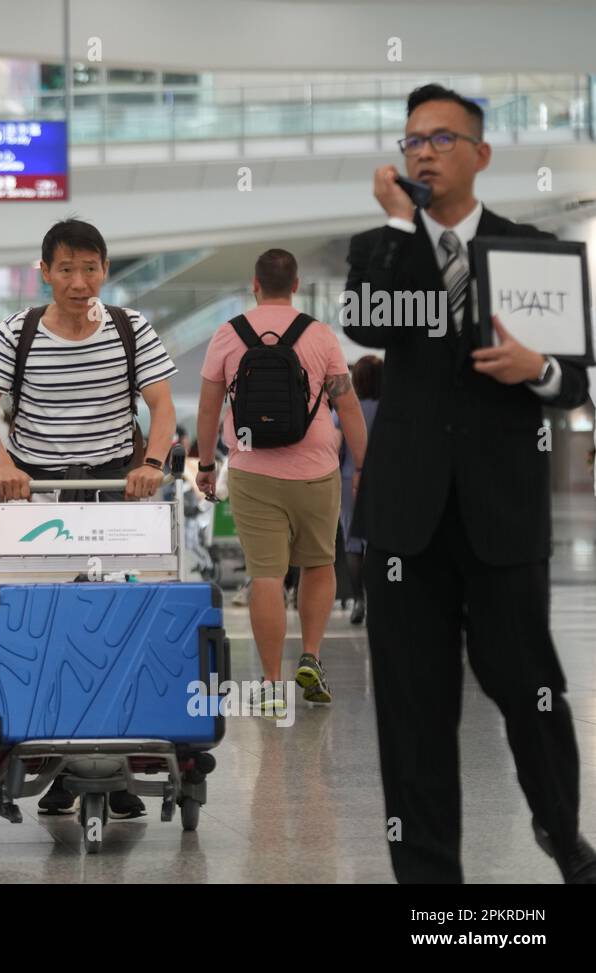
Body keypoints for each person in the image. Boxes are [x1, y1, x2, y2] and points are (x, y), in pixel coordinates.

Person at [344, 83, 594, 883]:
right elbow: (372, 324)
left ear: (482, 154)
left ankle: (563, 832)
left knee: (533, 692)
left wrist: (540, 367)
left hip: (503, 516)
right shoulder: (382, 249)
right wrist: (395, 220)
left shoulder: (532, 250)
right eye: (413, 138)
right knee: (413, 710)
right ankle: (428, 884)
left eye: (444, 138)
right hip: (405, 522)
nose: (424, 150)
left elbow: (578, 378)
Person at [0, 218, 179, 819]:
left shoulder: (132, 330)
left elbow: (160, 406)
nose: (79, 282)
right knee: (45, 629)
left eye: (90, 269)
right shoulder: (19, 332)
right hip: (35, 499)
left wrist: (153, 461)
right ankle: (53, 766)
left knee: (117, 626)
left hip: (115, 491)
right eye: (66, 269)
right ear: (46, 272)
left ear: (105, 270)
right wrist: (1, 461)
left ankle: (116, 767)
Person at [195, 249, 368, 717]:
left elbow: (209, 407)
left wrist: (207, 466)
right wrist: (365, 470)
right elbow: (347, 405)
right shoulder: (320, 335)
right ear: (296, 284)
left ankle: (272, 683)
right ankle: (310, 656)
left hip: (253, 470)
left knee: (266, 575)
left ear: (255, 284)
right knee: (318, 564)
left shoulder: (228, 334)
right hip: (316, 470)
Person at [338, 355, 381, 625]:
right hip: (381, 479)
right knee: (379, 541)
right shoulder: (390, 407)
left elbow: (335, 443)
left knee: (353, 541)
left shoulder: (344, 408)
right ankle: (380, 601)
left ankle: (358, 602)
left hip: (346, 479)